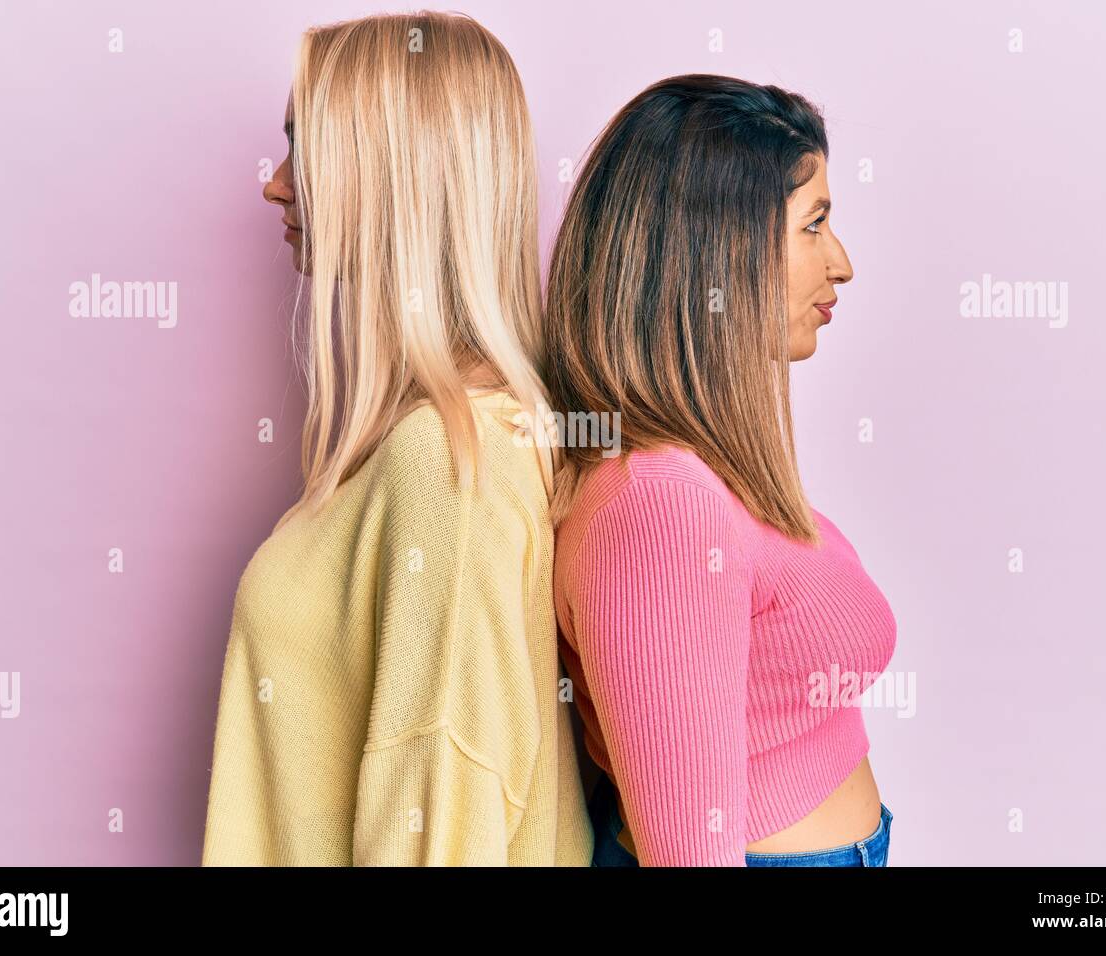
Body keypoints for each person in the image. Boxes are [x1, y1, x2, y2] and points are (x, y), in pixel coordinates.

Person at [201, 11, 592, 866]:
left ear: (393, 175)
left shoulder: (452, 463)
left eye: (304, 146)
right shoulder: (443, 441)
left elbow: (439, 829)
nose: (274, 184)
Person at [544, 74, 897, 867]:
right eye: (815, 225)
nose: (842, 264)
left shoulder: (706, 467)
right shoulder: (659, 506)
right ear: (718, 252)